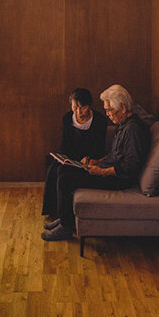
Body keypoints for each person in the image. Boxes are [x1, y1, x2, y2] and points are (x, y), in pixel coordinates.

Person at [42, 84, 151, 241]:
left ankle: (66, 228)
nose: (107, 114)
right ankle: (66, 218)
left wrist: (101, 171)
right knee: (62, 170)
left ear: (123, 107)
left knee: (65, 180)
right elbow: (114, 155)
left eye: (110, 110)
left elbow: (129, 167)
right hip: (109, 169)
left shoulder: (133, 129)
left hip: (119, 179)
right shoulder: (123, 124)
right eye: (106, 110)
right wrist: (97, 162)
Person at [41, 88, 107, 219]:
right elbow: (64, 144)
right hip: (70, 157)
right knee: (53, 169)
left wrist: (88, 158)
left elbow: (99, 148)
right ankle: (52, 212)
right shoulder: (67, 118)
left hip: (89, 160)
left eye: (82, 108)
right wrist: (66, 158)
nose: (78, 112)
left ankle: (62, 216)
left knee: (63, 174)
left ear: (89, 106)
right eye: (74, 107)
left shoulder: (99, 120)